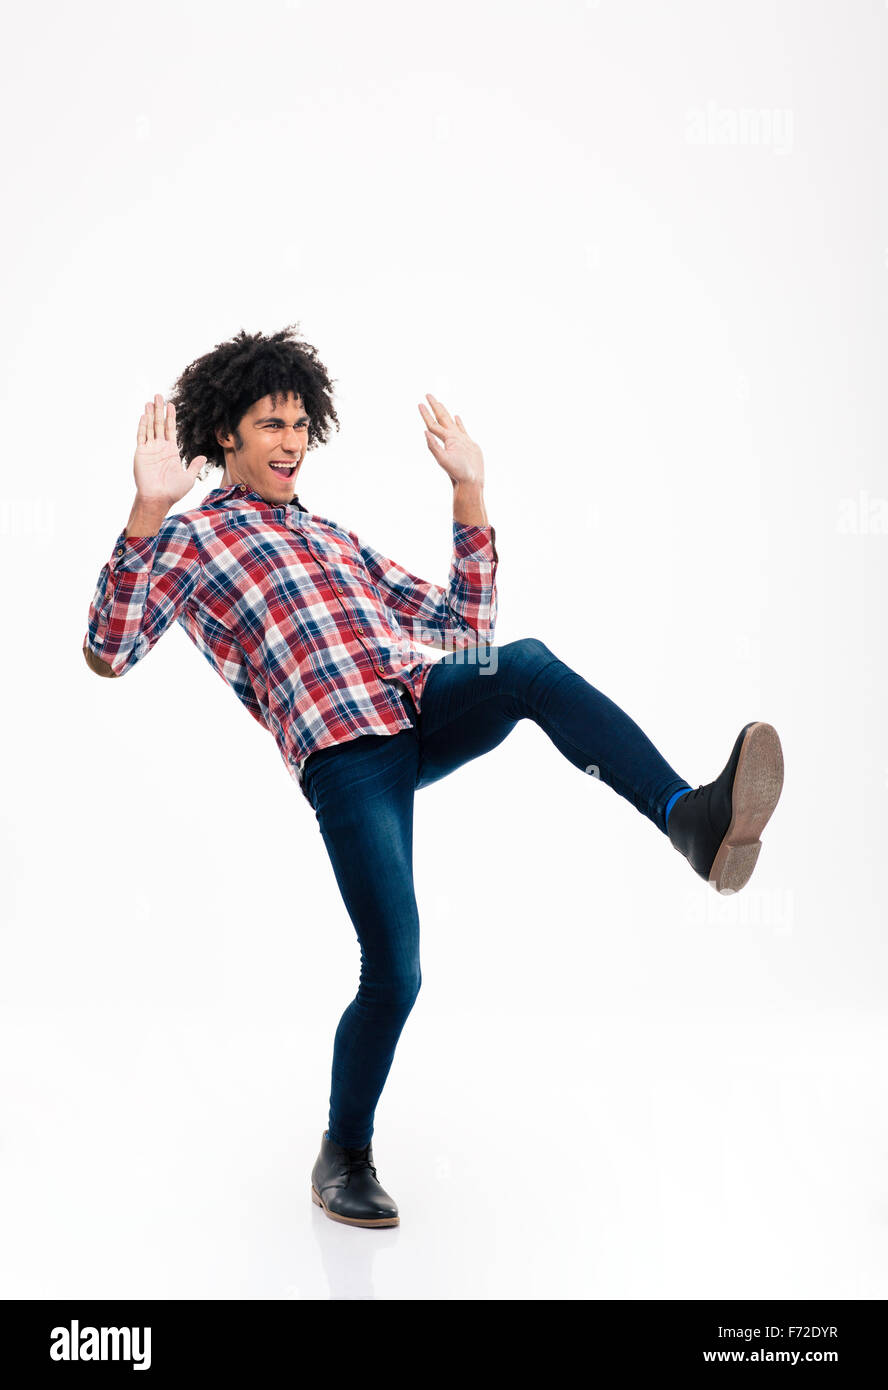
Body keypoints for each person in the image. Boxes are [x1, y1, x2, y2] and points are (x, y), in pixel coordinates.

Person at [82, 324, 784, 1230]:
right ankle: (344, 1152)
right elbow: (108, 649)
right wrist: (146, 512)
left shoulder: (333, 538)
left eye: (301, 423)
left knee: (524, 664)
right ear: (226, 435)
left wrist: (468, 488)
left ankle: (690, 818)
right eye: (270, 424)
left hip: (418, 704)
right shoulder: (191, 541)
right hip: (345, 758)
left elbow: (468, 631)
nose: (292, 441)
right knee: (397, 972)